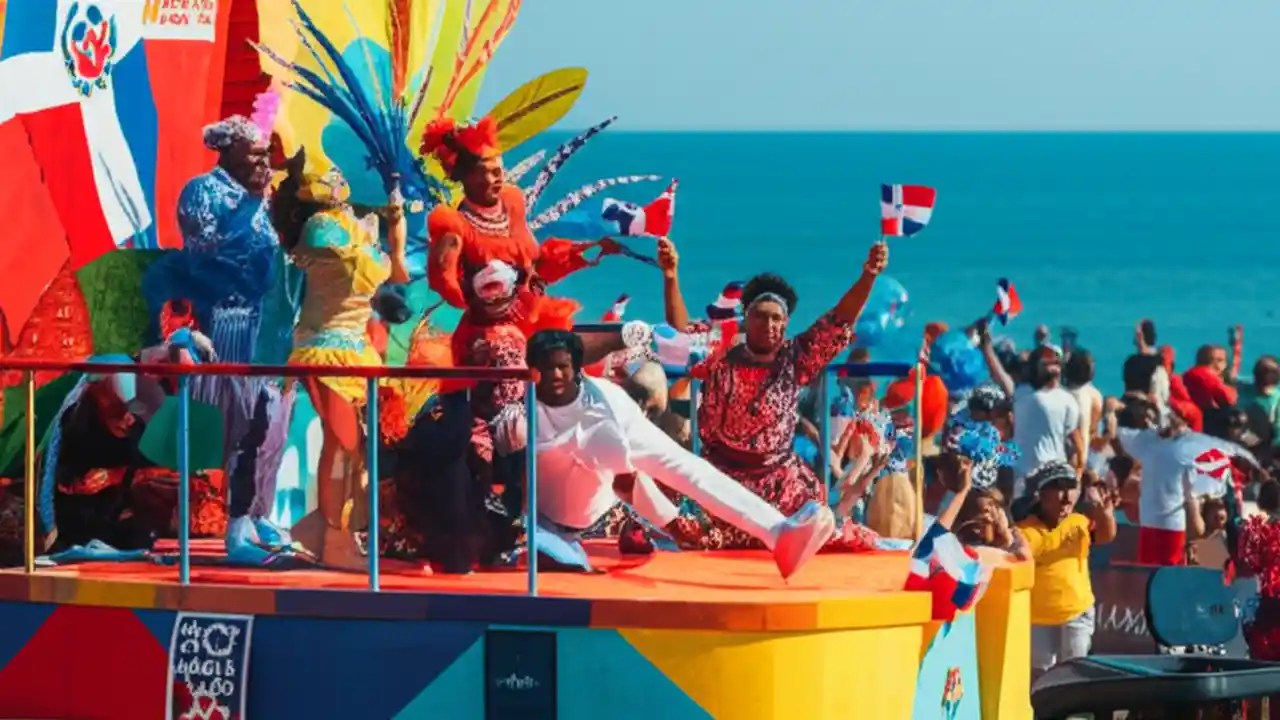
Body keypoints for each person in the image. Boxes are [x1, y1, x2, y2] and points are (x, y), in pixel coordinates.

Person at [421, 116, 622, 512]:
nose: (497, 178)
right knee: (504, 428)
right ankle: (500, 512)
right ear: (464, 176)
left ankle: (539, 511)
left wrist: (587, 252)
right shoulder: (455, 223)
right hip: (486, 341)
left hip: (523, 331)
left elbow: (537, 263)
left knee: (545, 412)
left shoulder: (512, 205)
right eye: (486, 172)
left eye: (500, 169)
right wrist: (450, 265)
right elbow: (450, 287)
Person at [523, 330, 835, 579]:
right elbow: (628, 484)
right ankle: (778, 534)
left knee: (690, 468)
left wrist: (634, 335)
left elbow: (643, 479)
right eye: (546, 369)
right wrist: (672, 523)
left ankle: (778, 533)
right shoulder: (529, 409)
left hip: (599, 457)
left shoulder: (605, 415)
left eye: (563, 367)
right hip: (561, 509)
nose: (555, 374)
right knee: (682, 470)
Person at [140, 115, 293, 564]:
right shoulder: (202, 192)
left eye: (266, 154)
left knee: (275, 426)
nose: (264, 162)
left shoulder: (267, 199)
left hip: (273, 325)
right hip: (229, 322)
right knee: (247, 425)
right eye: (254, 153)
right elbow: (208, 254)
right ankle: (236, 528)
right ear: (226, 151)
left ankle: (260, 512)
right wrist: (252, 203)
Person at [675, 243, 889, 550]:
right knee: (683, 531)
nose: (769, 325)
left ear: (786, 323)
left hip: (781, 483)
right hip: (720, 480)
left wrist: (869, 274)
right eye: (761, 316)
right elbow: (682, 331)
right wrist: (671, 275)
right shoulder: (719, 354)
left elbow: (839, 320)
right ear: (745, 319)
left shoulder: (796, 358)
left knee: (824, 535)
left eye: (777, 318)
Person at [281, 165, 409, 568]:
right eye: (328, 179)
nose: (337, 181)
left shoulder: (354, 225)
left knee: (350, 448)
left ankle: (328, 531)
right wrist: (384, 234)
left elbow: (398, 271)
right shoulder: (322, 228)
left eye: (338, 176)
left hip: (357, 350)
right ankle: (335, 535)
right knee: (346, 445)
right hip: (324, 349)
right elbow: (368, 269)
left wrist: (396, 225)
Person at [1018, 460, 1117, 679]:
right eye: (1058, 488)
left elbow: (1105, 536)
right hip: (1038, 618)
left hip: (1076, 613)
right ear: (1042, 494)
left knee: (1074, 672)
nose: (1066, 497)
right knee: (1039, 676)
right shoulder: (1025, 531)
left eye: (1070, 487)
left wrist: (1105, 513)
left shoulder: (1079, 522)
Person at [1010, 346, 1084, 500]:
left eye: (1056, 363)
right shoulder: (1021, 393)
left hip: (1051, 472)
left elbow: (1076, 440)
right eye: (1046, 364)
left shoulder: (1067, 400)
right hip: (1023, 472)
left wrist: (1077, 474)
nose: (1052, 368)